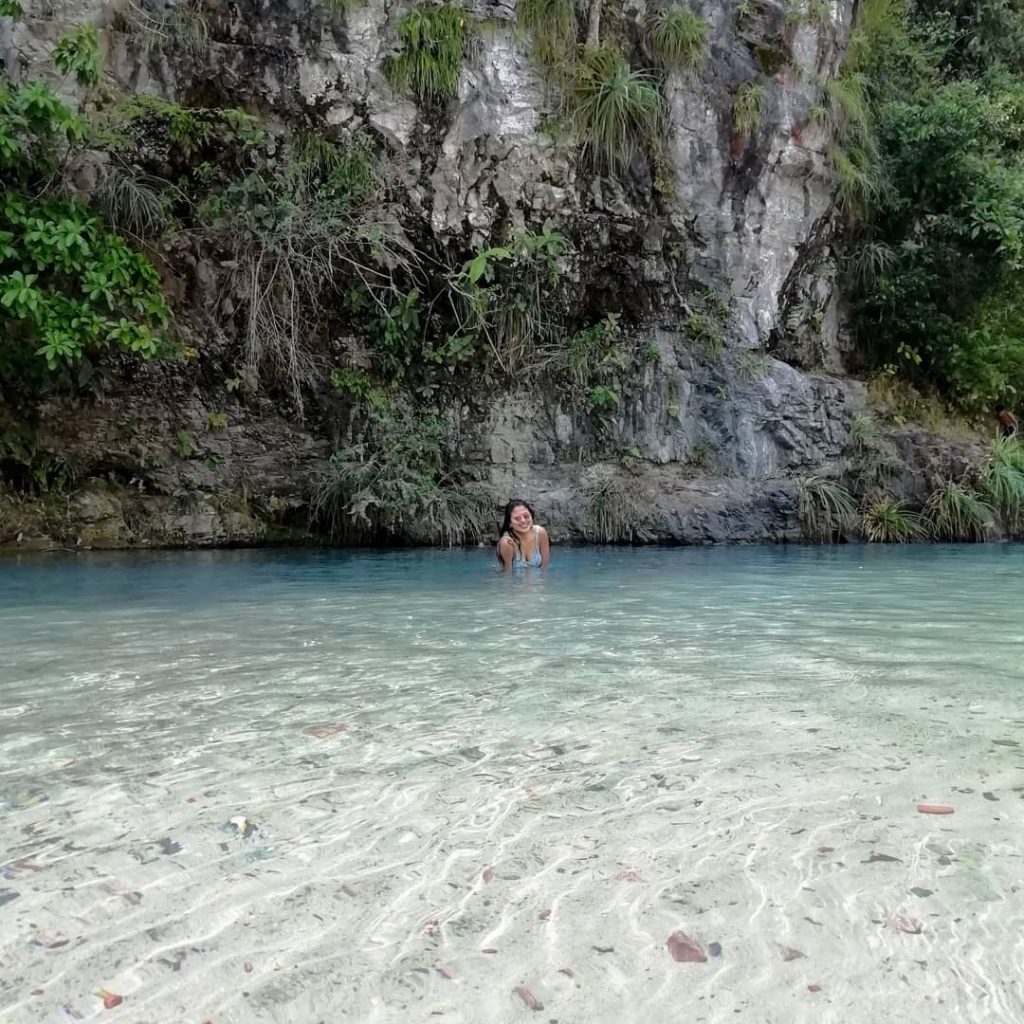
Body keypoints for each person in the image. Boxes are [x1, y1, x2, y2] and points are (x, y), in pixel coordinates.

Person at [496, 499, 550, 569]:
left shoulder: (540, 533)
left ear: (531, 516)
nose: (523, 521)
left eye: (526, 516)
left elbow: (544, 568)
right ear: (510, 523)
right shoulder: (507, 543)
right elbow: (507, 576)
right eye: (517, 519)